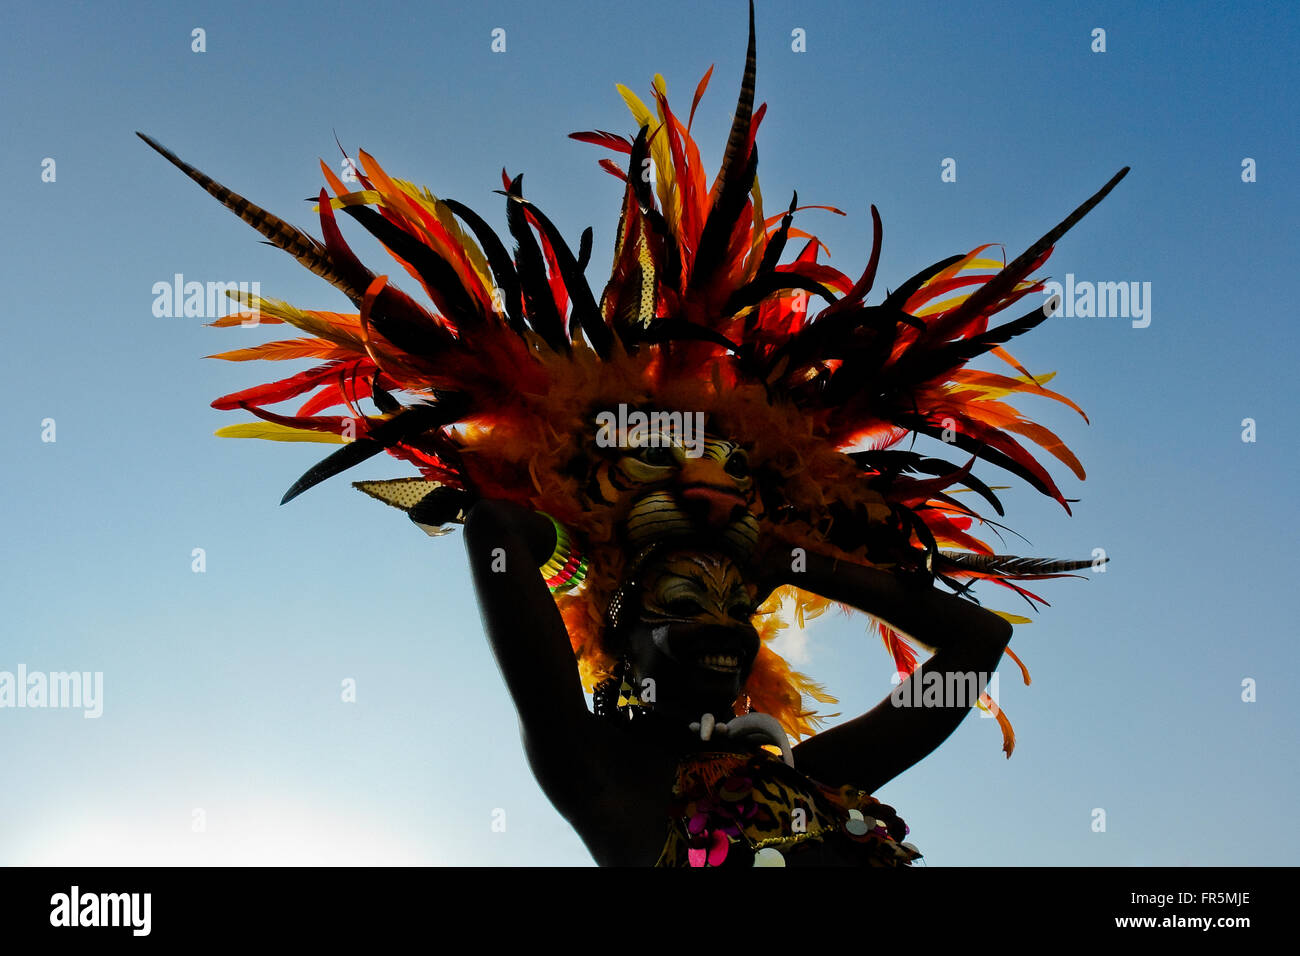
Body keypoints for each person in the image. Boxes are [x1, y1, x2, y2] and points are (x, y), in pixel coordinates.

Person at [465, 498, 1011, 866]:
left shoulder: (813, 781)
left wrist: (789, 562)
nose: (726, 628)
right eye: (685, 604)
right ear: (620, 644)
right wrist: (593, 557)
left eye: (739, 608)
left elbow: (979, 639)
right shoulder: (603, 777)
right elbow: (496, 526)